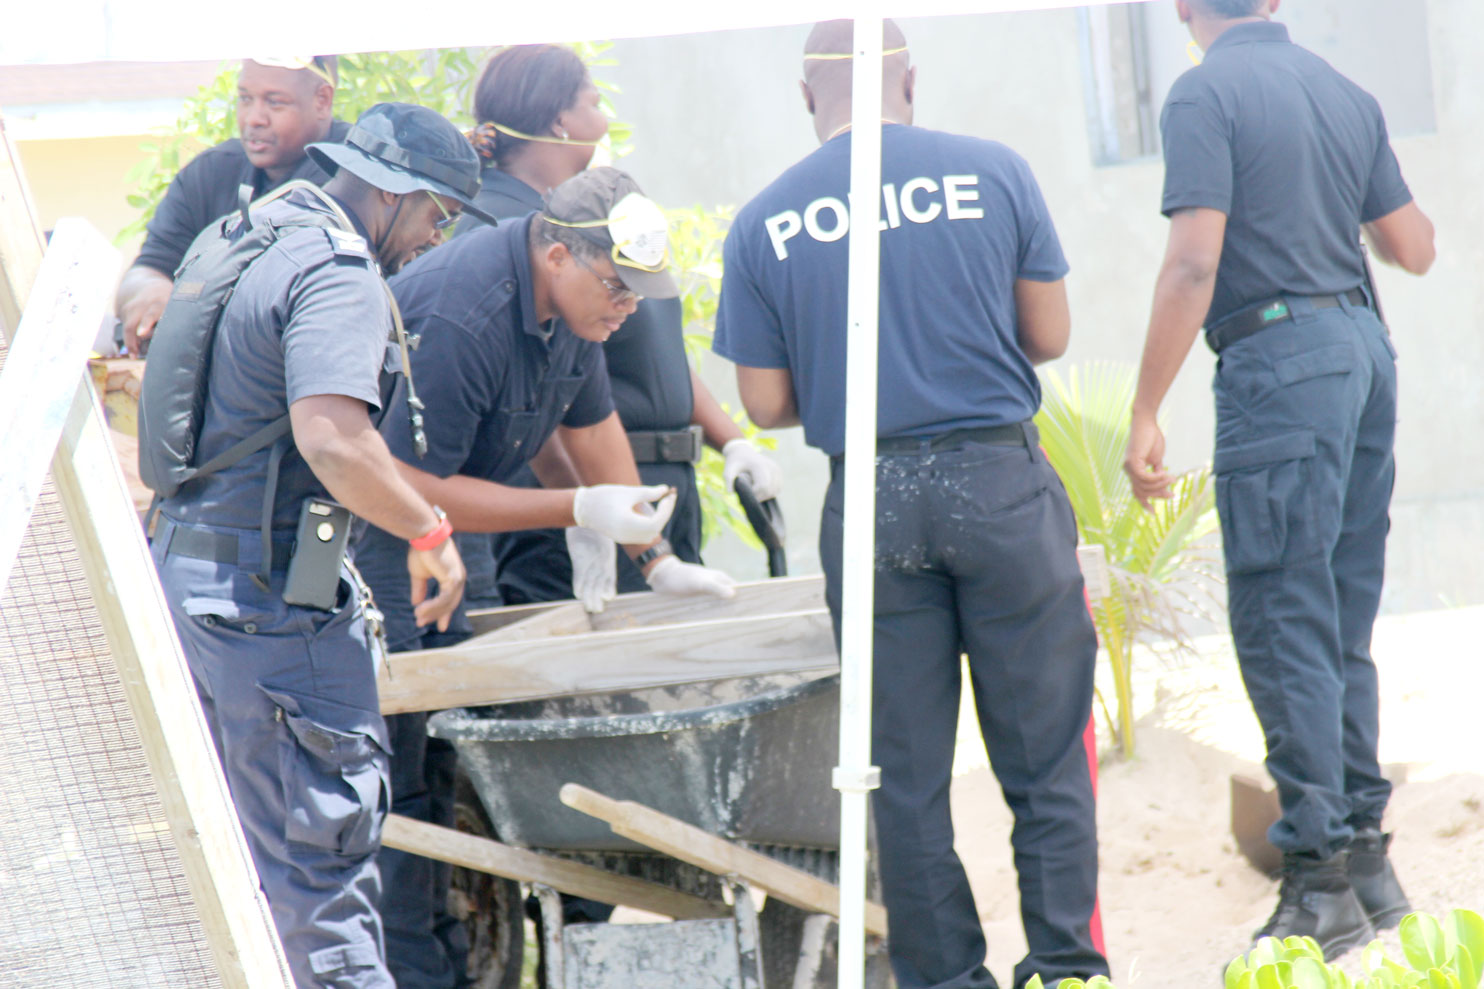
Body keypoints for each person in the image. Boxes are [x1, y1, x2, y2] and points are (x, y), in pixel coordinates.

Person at [712, 20, 1107, 989]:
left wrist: (854, 376)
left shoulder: (765, 218)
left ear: (808, 95)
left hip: (874, 499)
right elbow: (1047, 334)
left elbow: (762, 403)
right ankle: (1064, 966)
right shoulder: (992, 170)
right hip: (999, 484)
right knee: (1045, 758)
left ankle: (946, 979)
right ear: (909, 82)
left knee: (900, 778)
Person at [353, 165, 738, 989]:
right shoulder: (469, 312)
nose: (627, 305)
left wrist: (654, 554)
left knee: (445, 752)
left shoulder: (573, 312)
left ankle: (454, 958)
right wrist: (575, 509)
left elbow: (587, 424)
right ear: (558, 252)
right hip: (379, 531)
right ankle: (411, 971)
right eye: (616, 286)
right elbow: (408, 481)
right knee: (400, 759)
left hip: (445, 532)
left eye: (639, 291)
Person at [144, 101, 491, 988]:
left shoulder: (243, 234)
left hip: (190, 582)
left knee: (225, 878)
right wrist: (429, 529)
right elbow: (332, 439)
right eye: (436, 215)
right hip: (267, 613)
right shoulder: (339, 271)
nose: (432, 241)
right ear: (389, 193)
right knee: (321, 887)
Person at [1122, 0, 1435, 960]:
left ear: (1183, 7)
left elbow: (1193, 265)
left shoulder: (1203, 93)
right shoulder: (1345, 91)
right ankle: (1368, 862)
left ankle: (1318, 881)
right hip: (1363, 353)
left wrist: (1144, 409)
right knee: (1340, 613)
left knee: (1282, 614)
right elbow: (1415, 247)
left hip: (1280, 358)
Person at [458, 44, 782, 615]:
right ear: (561, 119)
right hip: (580, 495)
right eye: (594, 100)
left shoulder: (604, 211)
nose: (604, 115)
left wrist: (731, 441)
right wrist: (581, 506)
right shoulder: (508, 230)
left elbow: (657, 349)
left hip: (647, 489)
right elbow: (530, 394)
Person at [116, 56, 348, 357]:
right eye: (245, 99)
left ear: (322, 100)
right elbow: (146, 270)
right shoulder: (210, 174)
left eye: (275, 102)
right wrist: (151, 292)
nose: (254, 118)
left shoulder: (353, 179)